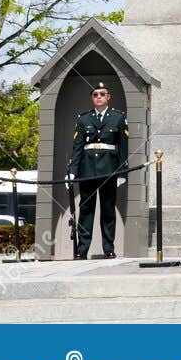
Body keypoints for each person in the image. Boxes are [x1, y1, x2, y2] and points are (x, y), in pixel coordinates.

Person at [67, 83, 129, 260]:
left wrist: (122, 172)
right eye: (95, 94)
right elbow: (77, 148)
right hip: (87, 170)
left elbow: (123, 148)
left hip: (109, 170)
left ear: (108, 96)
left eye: (102, 93)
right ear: (92, 98)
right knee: (86, 211)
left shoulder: (118, 118)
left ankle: (108, 249)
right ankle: (82, 250)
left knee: (108, 211)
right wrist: (72, 170)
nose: (99, 96)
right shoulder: (83, 119)